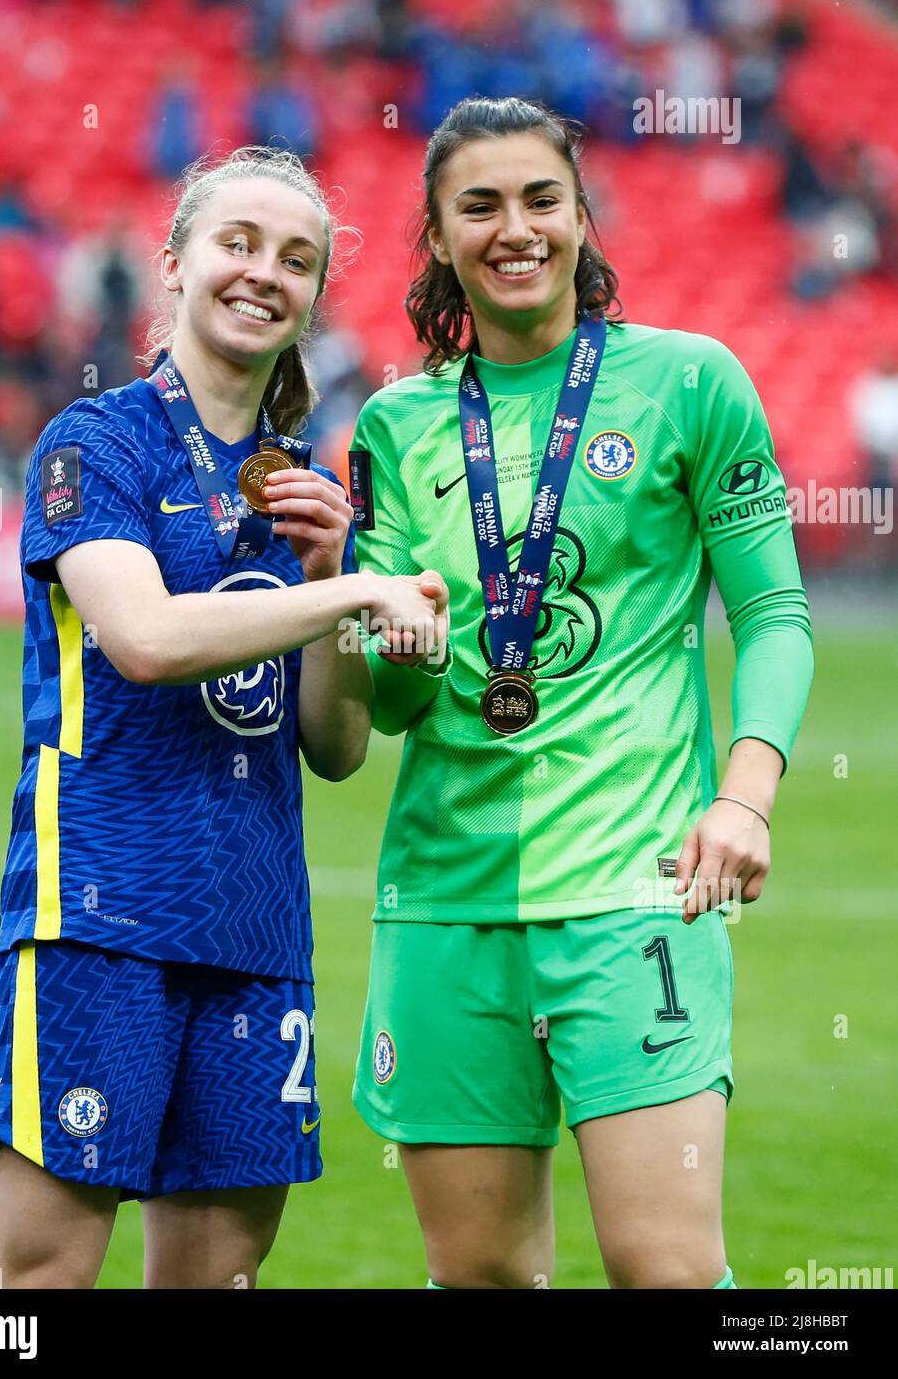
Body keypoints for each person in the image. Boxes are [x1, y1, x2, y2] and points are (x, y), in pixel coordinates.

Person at [349, 97, 813, 1289]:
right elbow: (393, 713)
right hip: (444, 901)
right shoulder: (396, 427)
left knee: (662, 1268)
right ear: (440, 238)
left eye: (540, 198)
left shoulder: (690, 382)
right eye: (480, 206)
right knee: (484, 1278)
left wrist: (746, 798)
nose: (516, 228)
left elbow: (772, 615)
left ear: (580, 214)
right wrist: (388, 647)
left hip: (635, 885)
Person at [0, 146, 445, 1289]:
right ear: (176, 264)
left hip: (254, 933)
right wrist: (348, 590)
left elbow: (335, 748)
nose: (264, 273)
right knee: (36, 1293)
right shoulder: (97, 444)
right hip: (96, 920)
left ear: (311, 298)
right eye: (238, 243)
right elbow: (142, 640)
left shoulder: (305, 488)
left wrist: (337, 570)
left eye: (296, 260)